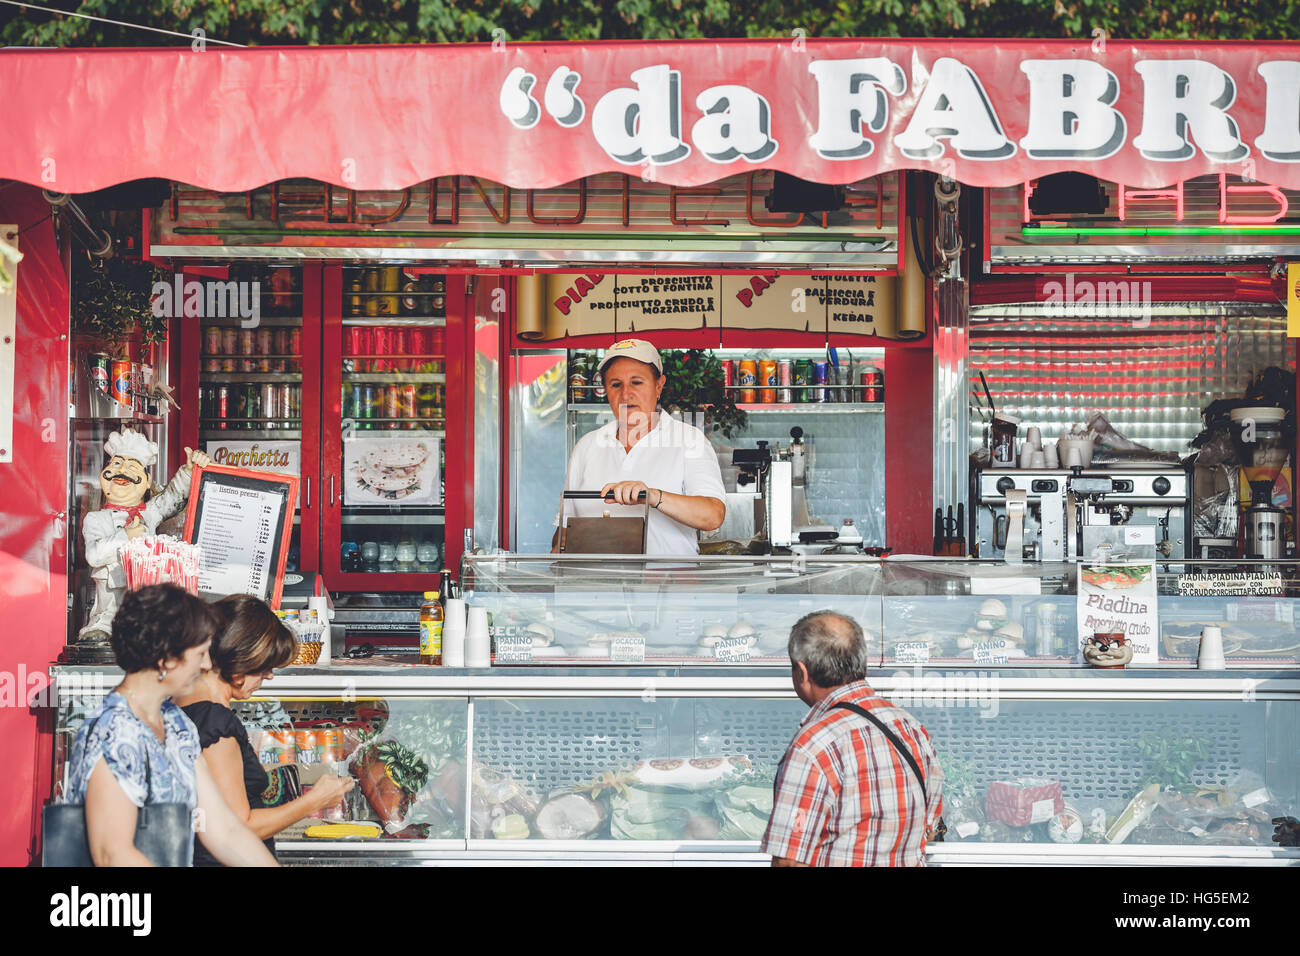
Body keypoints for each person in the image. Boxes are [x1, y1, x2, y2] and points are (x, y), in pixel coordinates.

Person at [61, 584, 278, 866]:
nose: (207, 664)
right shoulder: (114, 732)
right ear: (166, 658)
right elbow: (113, 854)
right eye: (200, 653)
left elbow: (225, 830)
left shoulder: (176, 725)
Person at [177, 594, 355, 866]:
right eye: (265, 666)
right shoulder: (215, 724)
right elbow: (237, 828)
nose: (269, 675)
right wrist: (315, 800)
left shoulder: (180, 705)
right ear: (241, 659)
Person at [762, 611, 944, 867]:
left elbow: (789, 862)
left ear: (802, 673)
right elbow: (933, 828)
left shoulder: (813, 746)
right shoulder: (911, 728)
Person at [553, 338, 726, 555]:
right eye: (616, 384)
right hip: (596, 585)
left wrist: (652, 496)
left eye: (636, 382)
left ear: (659, 386)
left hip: (668, 584)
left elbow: (712, 515)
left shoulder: (689, 440)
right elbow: (564, 531)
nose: (626, 394)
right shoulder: (587, 446)